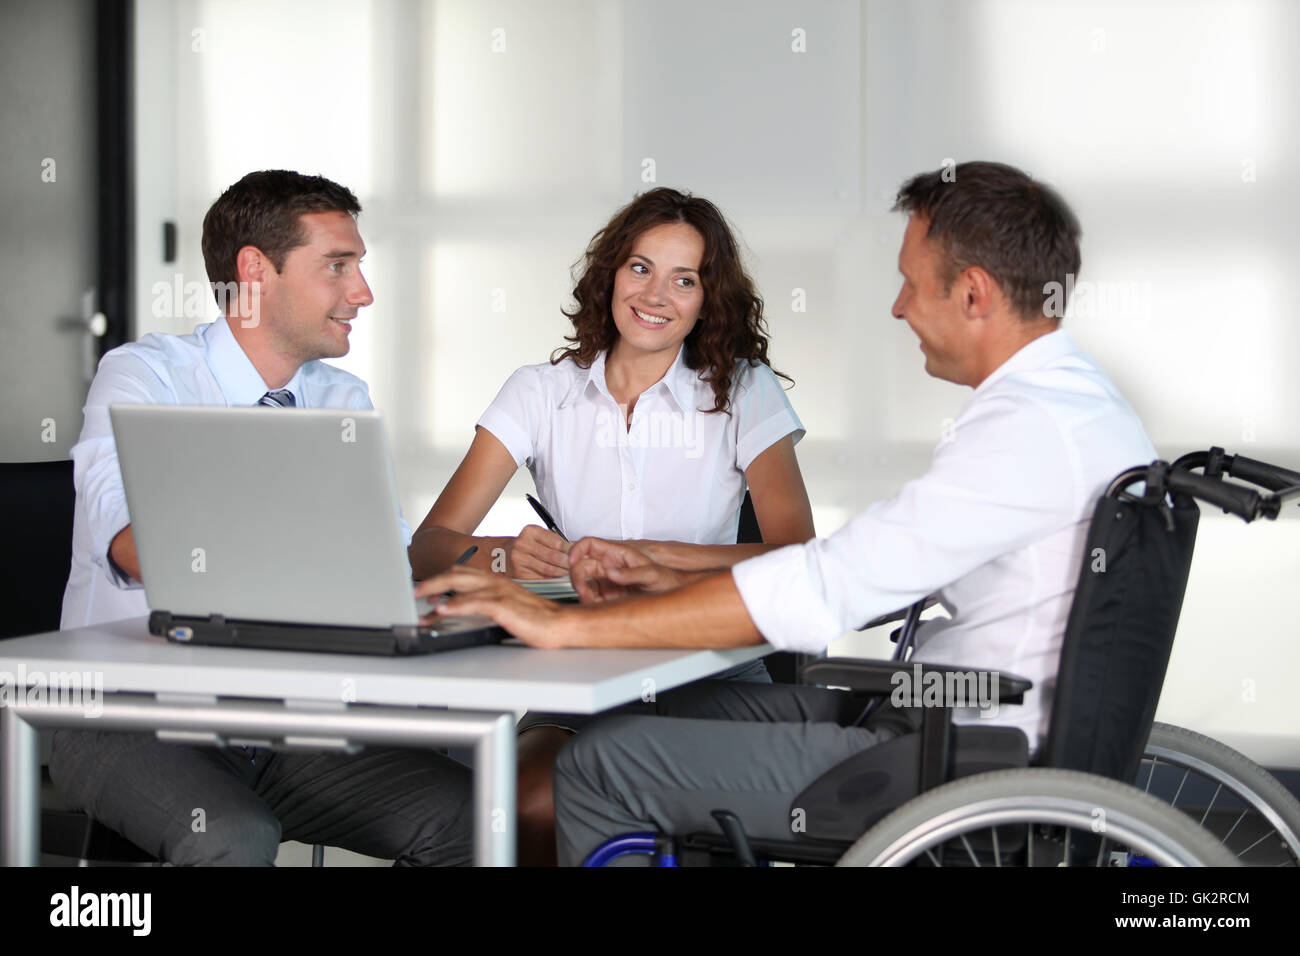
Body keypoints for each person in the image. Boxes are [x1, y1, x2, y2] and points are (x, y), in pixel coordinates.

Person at [416, 160, 1159, 866]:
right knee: (635, 726)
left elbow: (824, 586)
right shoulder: (1073, 408)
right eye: (641, 268)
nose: (898, 306)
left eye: (910, 283)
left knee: (596, 762)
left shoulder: (1025, 430)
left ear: (971, 294)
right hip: (941, 719)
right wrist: (651, 561)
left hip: (949, 754)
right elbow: (872, 575)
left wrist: (566, 623)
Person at [53, 170, 472, 866]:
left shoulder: (340, 395)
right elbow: (132, 550)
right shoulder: (144, 376)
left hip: (281, 722)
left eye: (359, 267)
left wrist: (492, 565)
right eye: (338, 266)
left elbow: (387, 560)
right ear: (255, 271)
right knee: (233, 835)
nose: (362, 292)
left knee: (471, 816)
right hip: (126, 716)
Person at [408, 187, 816, 864]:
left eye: (684, 279)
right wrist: (505, 556)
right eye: (640, 268)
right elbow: (429, 547)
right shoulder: (539, 392)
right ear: (610, 274)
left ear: (707, 299)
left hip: (708, 667)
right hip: (580, 666)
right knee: (532, 798)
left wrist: (652, 559)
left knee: (694, 814)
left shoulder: (745, 390)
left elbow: (797, 554)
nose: (656, 294)